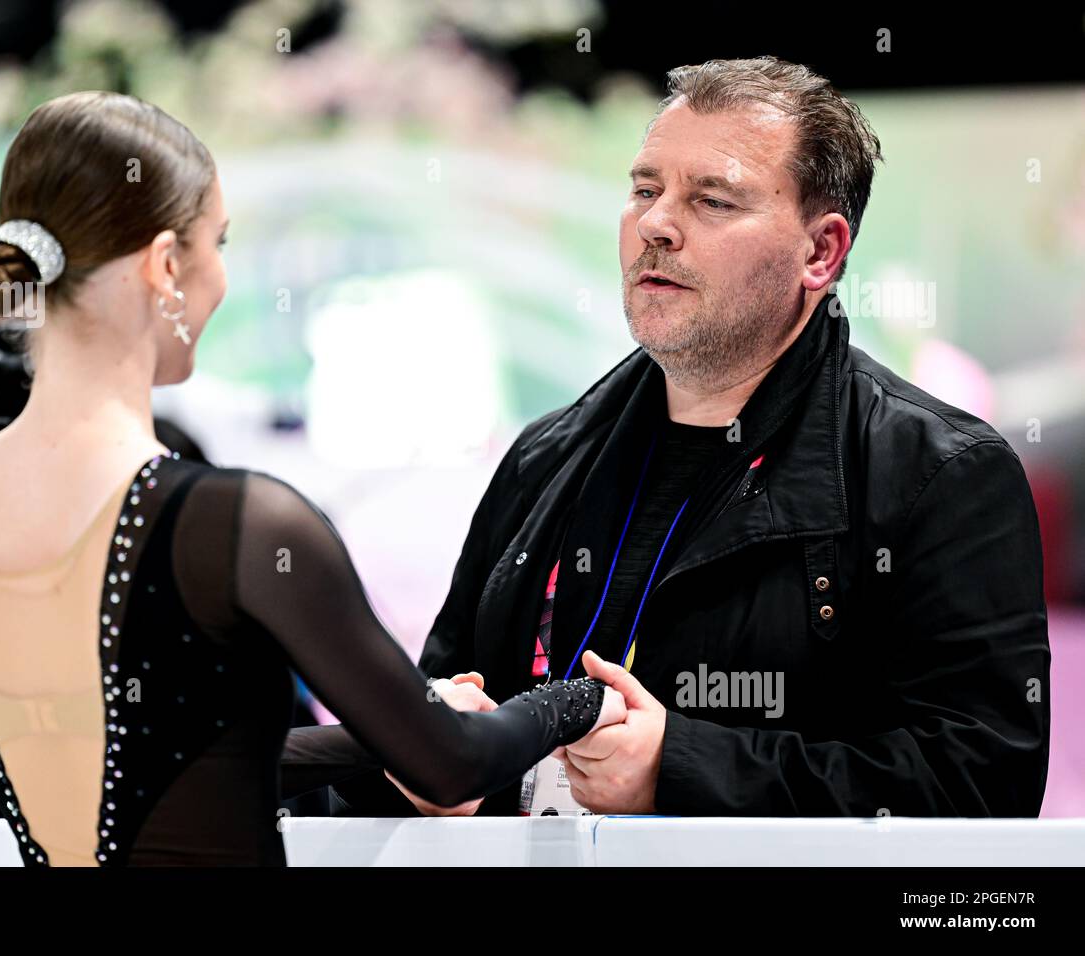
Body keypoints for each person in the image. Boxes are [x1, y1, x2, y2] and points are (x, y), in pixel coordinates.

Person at [0, 90, 626, 867]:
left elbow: (133, 751)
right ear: (165, 266)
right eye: (220, 243)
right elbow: (451, 764)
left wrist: (391, 726)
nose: (222, 279)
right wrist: (578, 701)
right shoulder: (238, 524)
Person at [333, 55, 1052, 819]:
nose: (656, 224)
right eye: (645, 190)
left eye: (712, 201)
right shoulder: (544, 458)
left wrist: (680, 768)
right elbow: (440, 709)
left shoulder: (938, 474)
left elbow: (981, 783)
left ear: (821, 252)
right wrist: (428, 759)